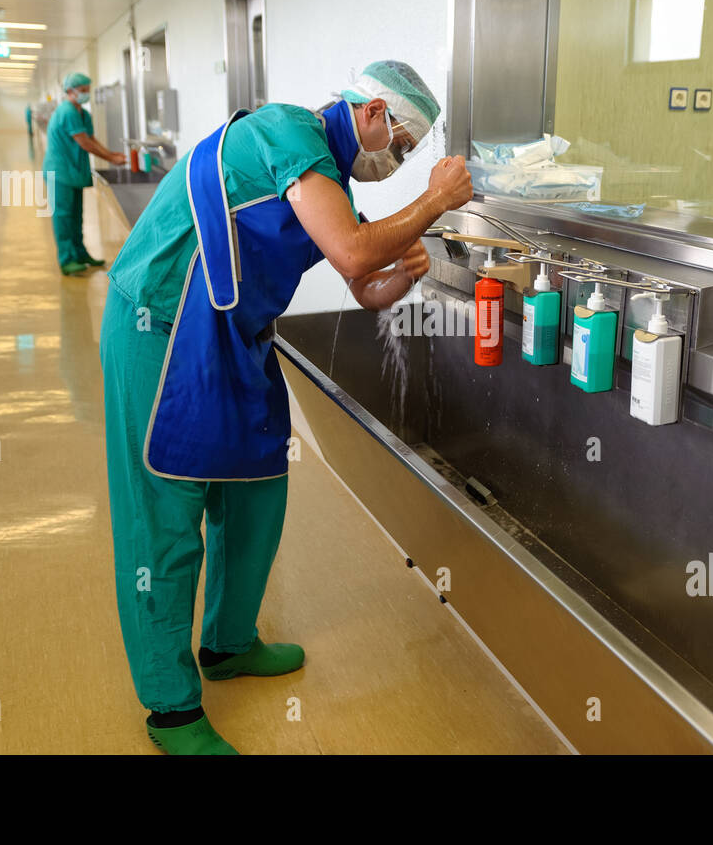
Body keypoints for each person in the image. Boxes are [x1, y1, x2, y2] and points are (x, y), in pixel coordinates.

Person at [99, 60, 472, 754]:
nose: (397, 162)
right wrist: (432, 202)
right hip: (162, 324)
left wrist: (398, 279)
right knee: (166, 521)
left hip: (230, 333)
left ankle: (229, 644)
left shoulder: (326, 175)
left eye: (411, 156)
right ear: (371, 112)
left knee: (258, 490)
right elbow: (351, 249)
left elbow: (361, 281)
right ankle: (171, 709)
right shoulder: (290, 135)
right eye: (400, 144)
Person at [43, 72, 126, 275]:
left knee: (76, 215)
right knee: (63, 216)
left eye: (87, 90)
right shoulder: (67, 112)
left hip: (73, 171)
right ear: (70, 91)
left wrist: (111, 154)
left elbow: (91, 138)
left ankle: (80, 253)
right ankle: (67, 259)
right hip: (60, 172)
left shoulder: (83, 114)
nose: (86, 94)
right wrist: (110, 159)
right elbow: (84, 143)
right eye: (82, 91)